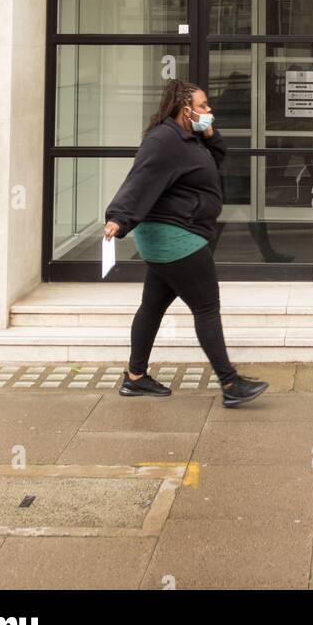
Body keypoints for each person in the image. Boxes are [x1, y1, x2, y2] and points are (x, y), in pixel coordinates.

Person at [103, 78, 268, 408]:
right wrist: (119, 217)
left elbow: (218, 157)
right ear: (185, 109)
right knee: (206, 308)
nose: (209, 110)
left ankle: (135, 379)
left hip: (168, 238)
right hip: (177, 238)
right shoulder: (164, 140)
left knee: (152, 305)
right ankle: (230, 383)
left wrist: (209, 133)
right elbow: (140, 178)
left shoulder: (187, 136)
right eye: (203, 106)